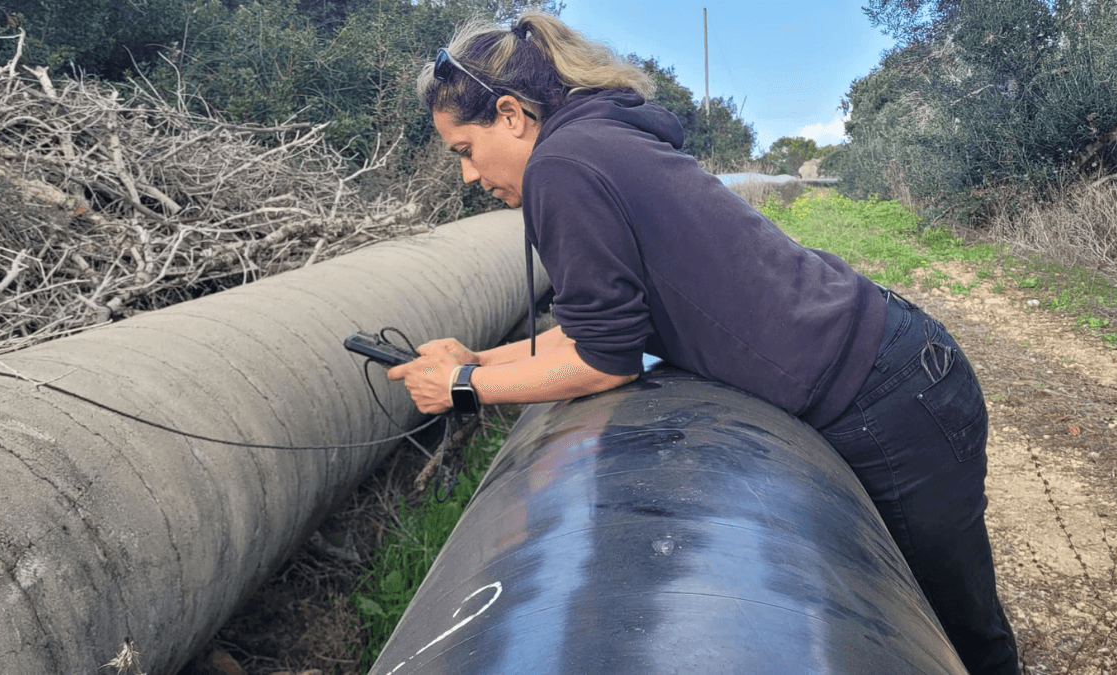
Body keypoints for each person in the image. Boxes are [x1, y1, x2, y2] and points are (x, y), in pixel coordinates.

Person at [386, 11, 1019, 674]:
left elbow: (605, 360)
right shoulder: (595, 139)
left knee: (959, 633)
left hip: (886, 396)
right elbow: (591, 330)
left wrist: (465, 387)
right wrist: (480, 359)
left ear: (511, 115)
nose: (468, 177)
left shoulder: (564, 166)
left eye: (464, 150)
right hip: (891, 366)